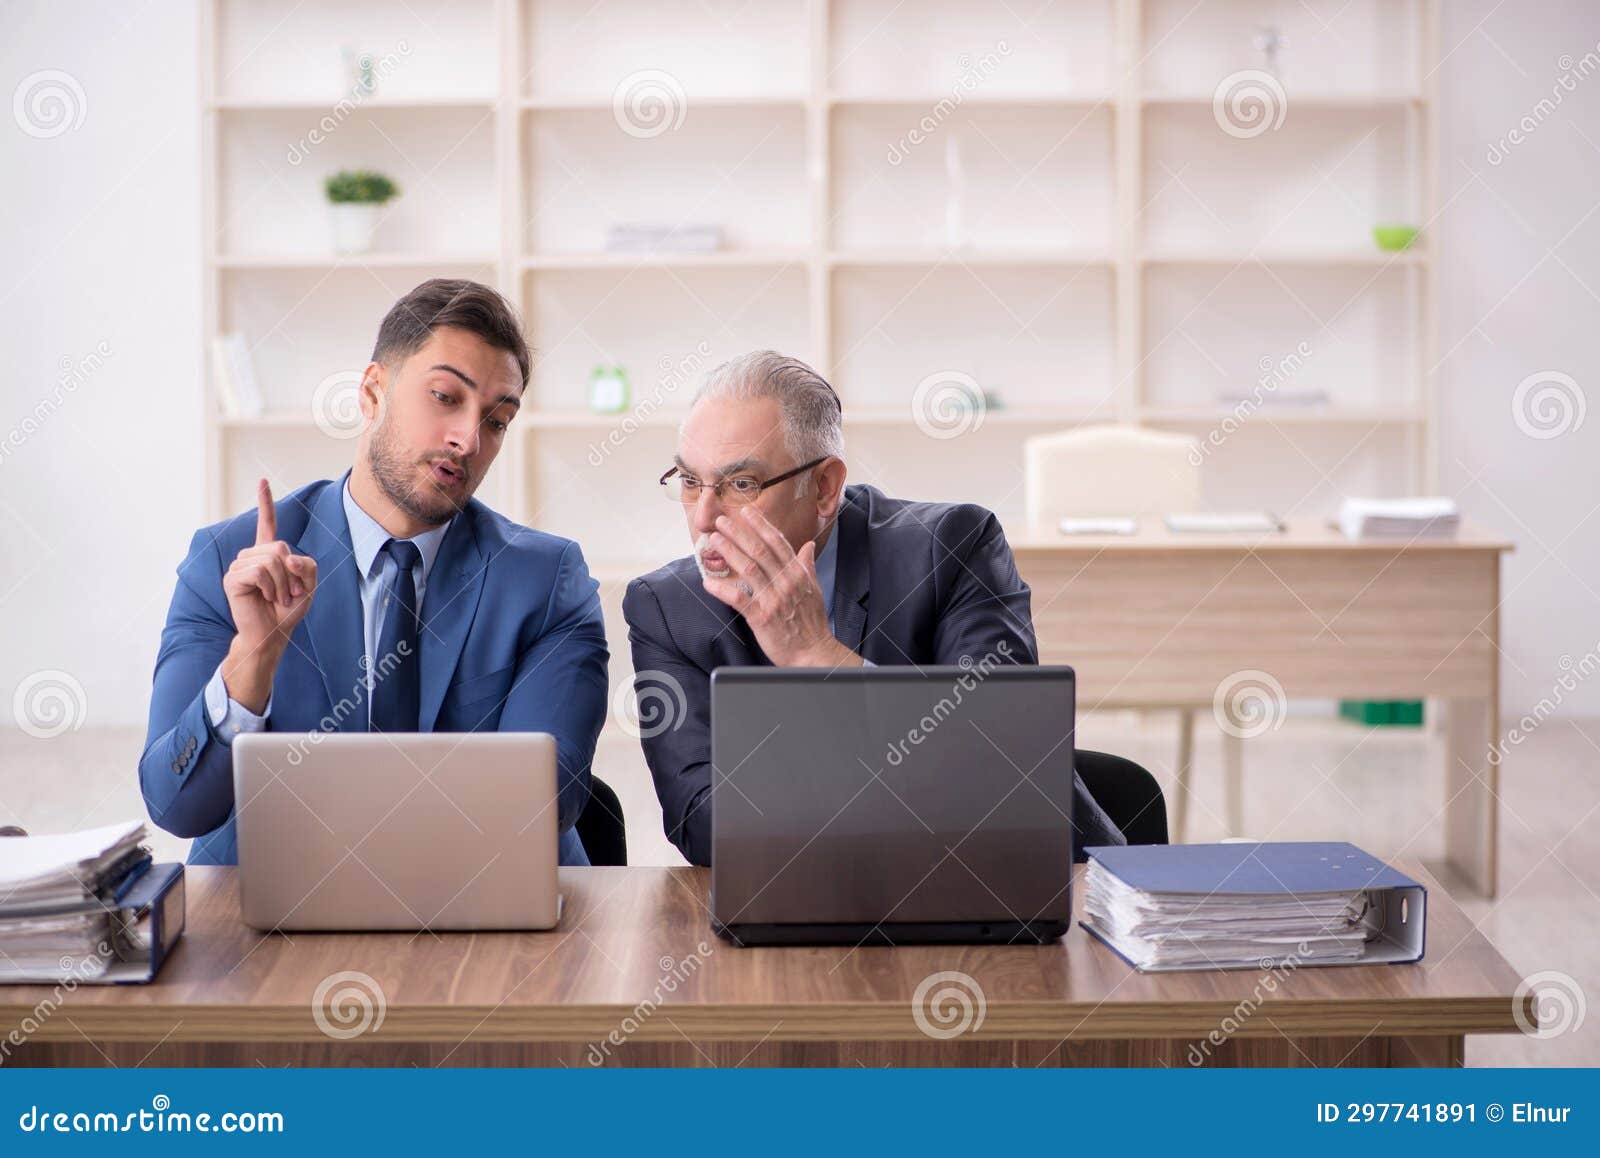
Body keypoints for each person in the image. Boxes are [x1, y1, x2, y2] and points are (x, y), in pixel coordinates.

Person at [140, 279, 607, 866]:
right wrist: (252, 659)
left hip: (481, 912)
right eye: (444, 396)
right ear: (371, 392)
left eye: (497, 420)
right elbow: (173, 805)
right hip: (270, 916)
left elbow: (547, 802)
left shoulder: (545, 581)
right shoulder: (229, 560)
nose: (468, 438)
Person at [622, 350, 1127, 866]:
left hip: (1006, 889)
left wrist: (816, 656)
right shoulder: (666, 607)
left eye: (742, 485)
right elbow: (704, 824)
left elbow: (1006, 771)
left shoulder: (952, 548)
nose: (704, 516)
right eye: (689, 482)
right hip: (804, 905)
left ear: (823, 487)